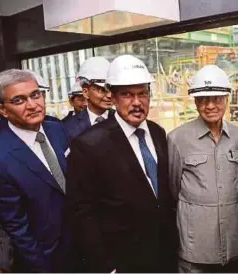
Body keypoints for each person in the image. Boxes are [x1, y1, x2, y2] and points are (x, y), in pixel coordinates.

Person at [66, 55, 178, 273]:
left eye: (142, 94)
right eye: (126, 94)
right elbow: (82, 213)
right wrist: (106, 267)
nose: (136, 102)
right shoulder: (89, 145)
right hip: (123, 261)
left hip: (164, 256)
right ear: (113, 97)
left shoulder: (157, 132)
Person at [168, 65, 238, 273]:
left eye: (217, 99)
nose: (210, 105)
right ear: (195, 101)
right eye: (203, 99)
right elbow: (173, 188)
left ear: (227, 100)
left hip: (232, 245)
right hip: (196, 250)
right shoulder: (177, 139)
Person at [0, 69, 70, 272]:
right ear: (1, 109)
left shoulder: (58, 129)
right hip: (47, 261)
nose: (33, 105)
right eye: (19, 100)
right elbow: (18, 230)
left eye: (36, 95)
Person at [63, 56, 114, 142]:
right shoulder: (68, 127)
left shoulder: (124, 120)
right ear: (86, 93)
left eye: (111, 89)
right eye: (102, 90)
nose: (109, 95)